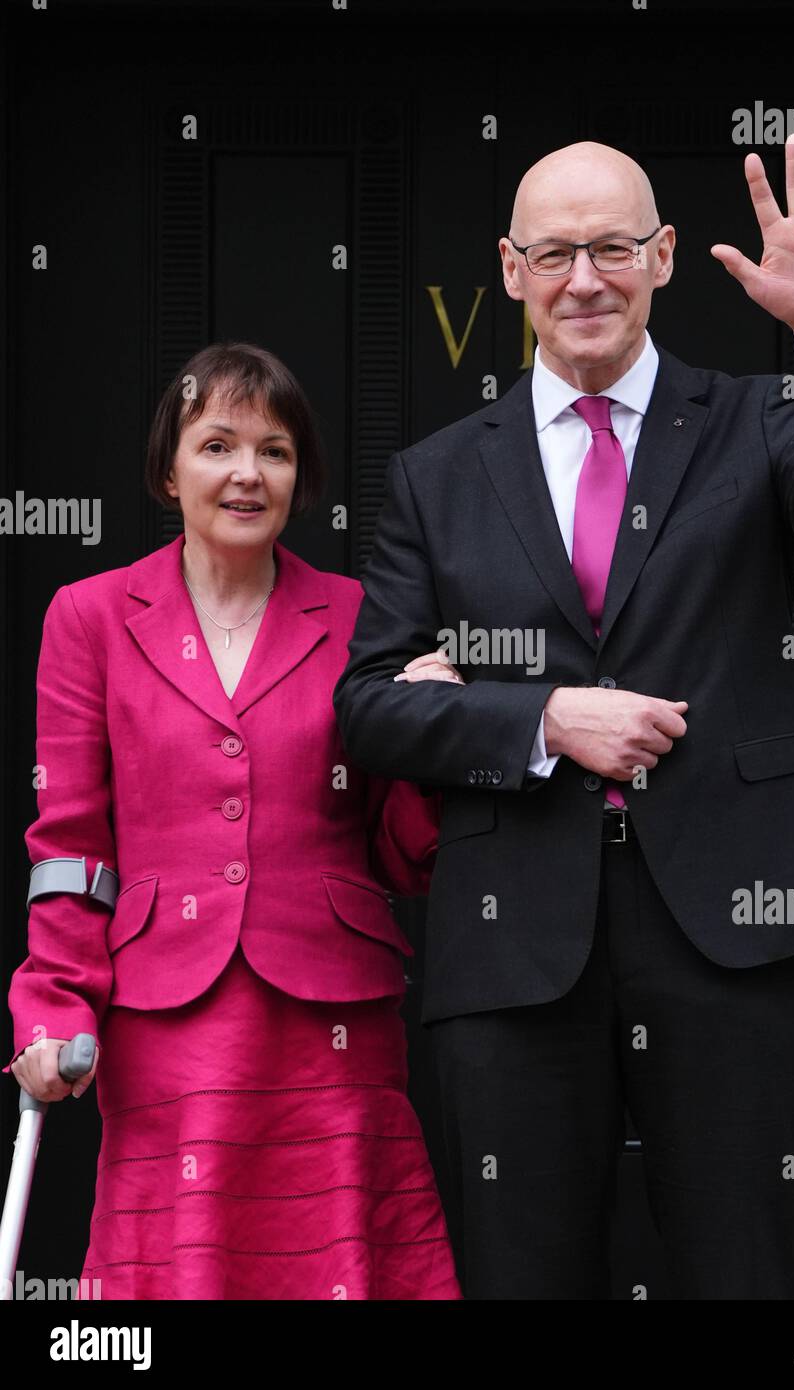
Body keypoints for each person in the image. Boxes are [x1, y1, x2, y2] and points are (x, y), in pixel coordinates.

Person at [333, 136, 794, 1299]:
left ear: (660, 258)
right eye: (553, 252)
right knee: (520, 1273)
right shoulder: (436, 475)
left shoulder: (754, 418)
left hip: (728, 924)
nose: (584, 279)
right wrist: (545, 718)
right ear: (509, 269)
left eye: (612, 247)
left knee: (747, 1267)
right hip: (512, 941)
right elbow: (368, 705)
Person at [4, 343, 462, 1300]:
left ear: (302, 478)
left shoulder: (363, 618)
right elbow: (72, 844)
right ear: (168, 470)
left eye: (276, 450)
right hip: (167, 1022)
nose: (248, 474)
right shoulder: (87, 617)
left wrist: (434, 740)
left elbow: (405, 855)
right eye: (217, 445)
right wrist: (52, 1003)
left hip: (333, 1021)